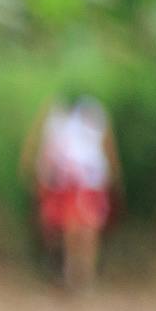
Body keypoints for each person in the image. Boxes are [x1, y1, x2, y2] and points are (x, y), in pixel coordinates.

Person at [25, 95, 118, 291]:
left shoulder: (93, 117)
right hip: (68, 182)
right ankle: (74, 272)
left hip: (86, 182)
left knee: (85, 228)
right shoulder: (55, 116)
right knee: (71, 227)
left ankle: (80, 273)